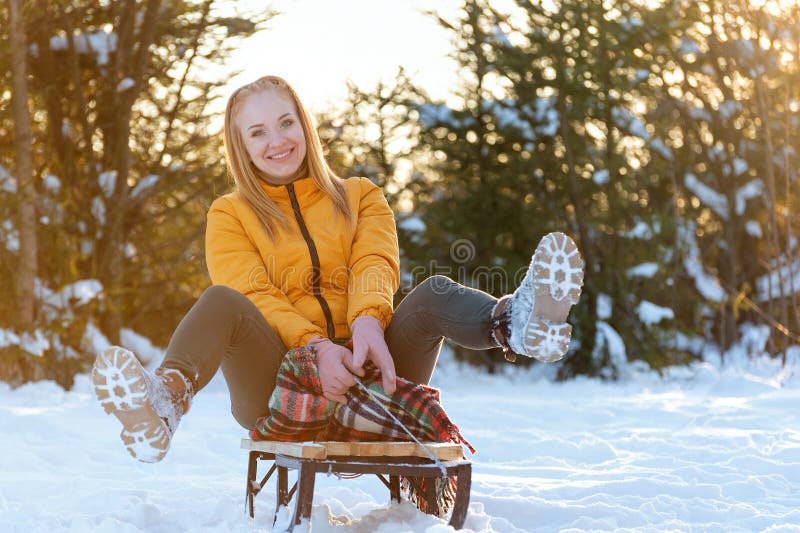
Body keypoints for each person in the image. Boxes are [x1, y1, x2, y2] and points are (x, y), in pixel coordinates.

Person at [91, 75, 584, 463]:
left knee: (433, 290)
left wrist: (368, 320)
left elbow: (375, 261)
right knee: (223, 300)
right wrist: (317, 348)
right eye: (257, 132)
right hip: (277, 381)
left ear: (305, 125)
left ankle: (516, 324)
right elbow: (253, 290)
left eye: (286, 123)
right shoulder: (230, 214)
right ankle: (165, 401)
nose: (276, 140)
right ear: (240, 145)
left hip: (376, 370)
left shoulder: (360, 196)